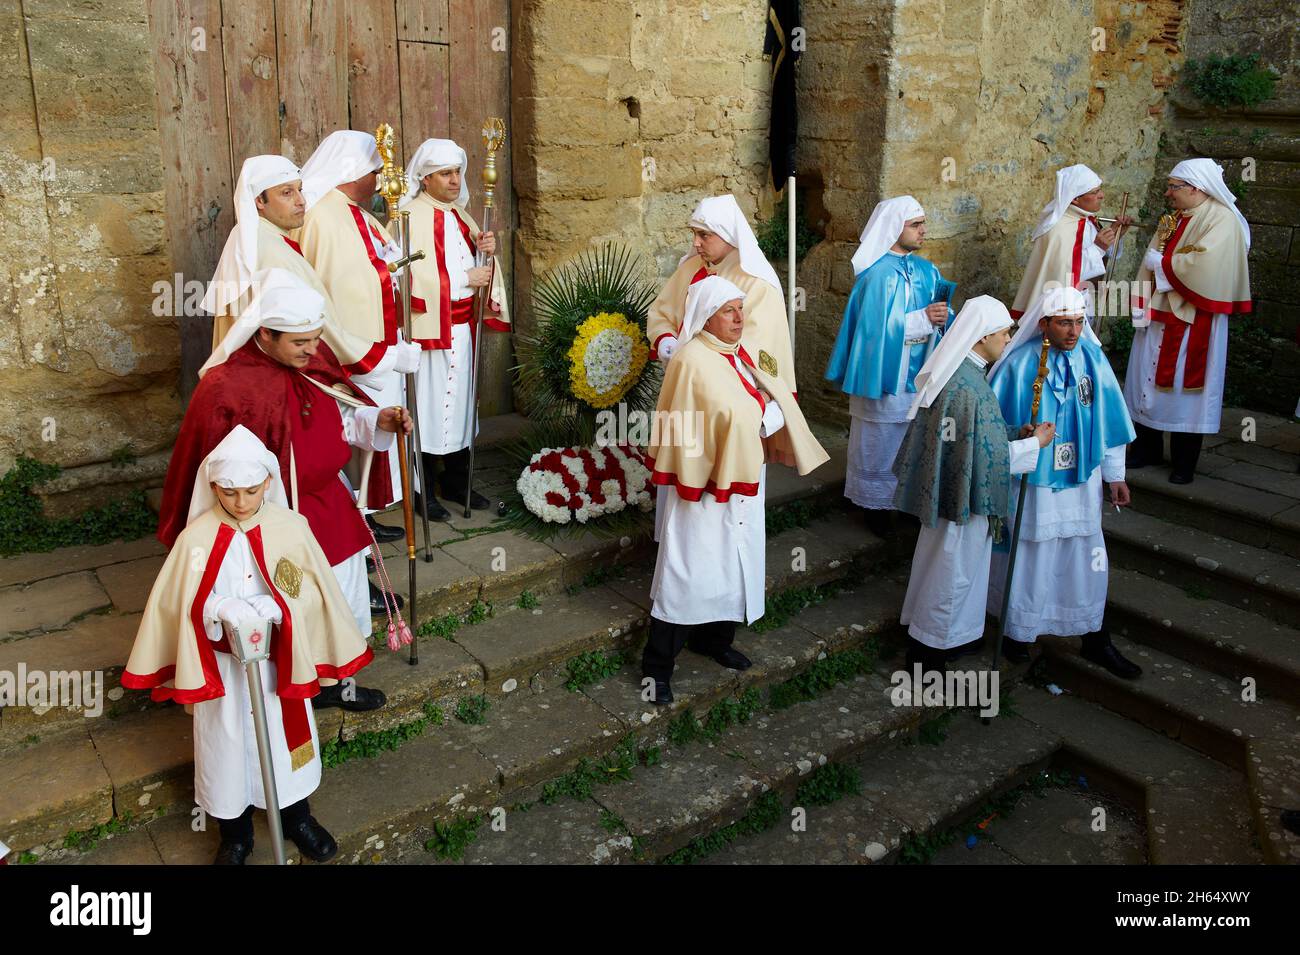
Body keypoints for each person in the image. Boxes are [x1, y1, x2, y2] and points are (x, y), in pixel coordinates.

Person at [157, 269, 408, 710]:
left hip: (329, 504)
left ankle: (333, 685)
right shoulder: (227, 388)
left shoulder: (312, 357)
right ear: (265, 335)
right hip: (272, 520)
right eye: (300, 342)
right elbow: (214, 472)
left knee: (338, 602)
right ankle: (287, 693)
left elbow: (338, 418)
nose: (313, 350)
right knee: (291, 606)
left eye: (316, 338)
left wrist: (378, 421)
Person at [123, 426, 374, 864]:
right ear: (213, 486)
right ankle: (235, 835)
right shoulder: (196, 537)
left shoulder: (291, 527)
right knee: (226, 745)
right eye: (230, 492)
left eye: (252, 491)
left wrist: (277, 605)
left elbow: (314, 591)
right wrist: (217, 605)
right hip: (224, 671)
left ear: (269, 484)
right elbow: (178, 598)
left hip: (279, 662)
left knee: (283, 736)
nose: (241, 503)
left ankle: (298, 818)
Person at [201, 152, 414, 547]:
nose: (300, 199)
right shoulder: (261, 249)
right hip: (274, 391)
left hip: (285, 383)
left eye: (299, 189)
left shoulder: (266, 240)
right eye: (286, 192)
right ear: (258, 202)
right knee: (297, 481)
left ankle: (331, 557)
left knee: (314, 475)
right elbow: (307, 324)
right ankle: (310, 565)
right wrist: (380, 355)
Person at [643, 276, 828, 703]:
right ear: (707, 316)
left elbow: (757, 400)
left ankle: (715, 641)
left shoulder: (738, 355)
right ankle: (658, 668)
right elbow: (698, 426)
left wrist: (768, 409)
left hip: (742, 482)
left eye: (741, 310)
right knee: (687, 573)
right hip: (702, 489)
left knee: (733, 564)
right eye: (729, 311)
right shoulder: (691, 360)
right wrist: (764, 416)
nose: (739, 318)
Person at [986, 286, 1141, 678]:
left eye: (1078, 321)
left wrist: (1115, 475)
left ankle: (1093, 635)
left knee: (1083, 556)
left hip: (1081, 483)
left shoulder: (1094, 359)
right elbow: (992, 432)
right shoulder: (1018, 365)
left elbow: (1108, 422)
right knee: (1030, 555)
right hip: (1034, 486)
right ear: (1043, 324)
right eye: (1064, 323)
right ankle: (1018, 632)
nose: (1074, 331)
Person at [892, 296, 1052, 673]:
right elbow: (982, 457)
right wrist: (1034, 445)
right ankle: (927, 657)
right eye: (1003, 333)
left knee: (946, 568)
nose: (1008, 339)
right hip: (961, 501)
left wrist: (1013, 432)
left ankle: (943, 641)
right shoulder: (967, 387)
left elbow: (976, 438)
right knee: (952, 574)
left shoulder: (964, 373)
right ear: (981, 337)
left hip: (952, 489)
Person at [295, 130, 420, 508]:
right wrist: (369, 351)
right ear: (354, 170)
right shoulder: (322, 216)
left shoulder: (354, 213)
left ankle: (373, 508)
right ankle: (359, 513)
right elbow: (333, 289)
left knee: (379, 425)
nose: (380, 181)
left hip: (380, 344)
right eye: (376, 171)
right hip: (354, 351)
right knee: (357, 429)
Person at [824, 196, 954, 534]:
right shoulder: (877, 276)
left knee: (912, 439)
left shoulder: (927, 270)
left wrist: (942, 316)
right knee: (879, 439)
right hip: (885, 372)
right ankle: (874, 506)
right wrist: (921, 318)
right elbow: (873, 333)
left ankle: (908, 501)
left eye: (923, 223)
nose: (923, 230)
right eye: (916, 224)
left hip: (919, 373)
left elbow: (940, 316)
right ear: (895, 227)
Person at [1124, 159, 1252, 483]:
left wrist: (1164, 265)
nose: (1168, 193)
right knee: (1145, 383)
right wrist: (1140, 307)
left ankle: (1184, 462)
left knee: (1185, 394)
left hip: (1195, 322)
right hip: (1159, 315)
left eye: (1174, 187)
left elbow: (1209, 266)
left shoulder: (1223, 220)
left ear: (1195, 188)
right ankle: (1147, 448)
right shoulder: (1173, 218)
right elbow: (1147, 265)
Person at [401, 138, 511, 518]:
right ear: (425, 178)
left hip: (462, 331)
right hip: (431, 331)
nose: (454, 180)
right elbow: (402, 276)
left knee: (463, 409)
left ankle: (456, 480)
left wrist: (487, 250)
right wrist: (465, 277)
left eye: (457, 173)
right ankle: (422, 489)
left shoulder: (462, 216)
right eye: (445, 173)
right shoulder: (409, 218)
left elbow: (480, 269)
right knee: (429, 409)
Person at [647, 195, 797, 396]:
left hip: (732, 394)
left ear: (726, 233)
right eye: (694, 234)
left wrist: (694, 357)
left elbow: (755, 347)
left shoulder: (757, 283)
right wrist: (666, 341)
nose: (696, 243)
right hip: (684, 383)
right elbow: (661, 314)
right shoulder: (690, 269)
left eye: (704, 235)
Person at [1010, 164, 1131, 320]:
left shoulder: (1086, 221)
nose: (1102, 195)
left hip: (1083, 302)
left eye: (1100, 189)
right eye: (1095, 192)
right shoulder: (1058, 229)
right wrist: (1098, 248)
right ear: (1075, 199)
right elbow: (1066, 273)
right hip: (1062, 311)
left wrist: (1115, 233)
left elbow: (1101, 256)